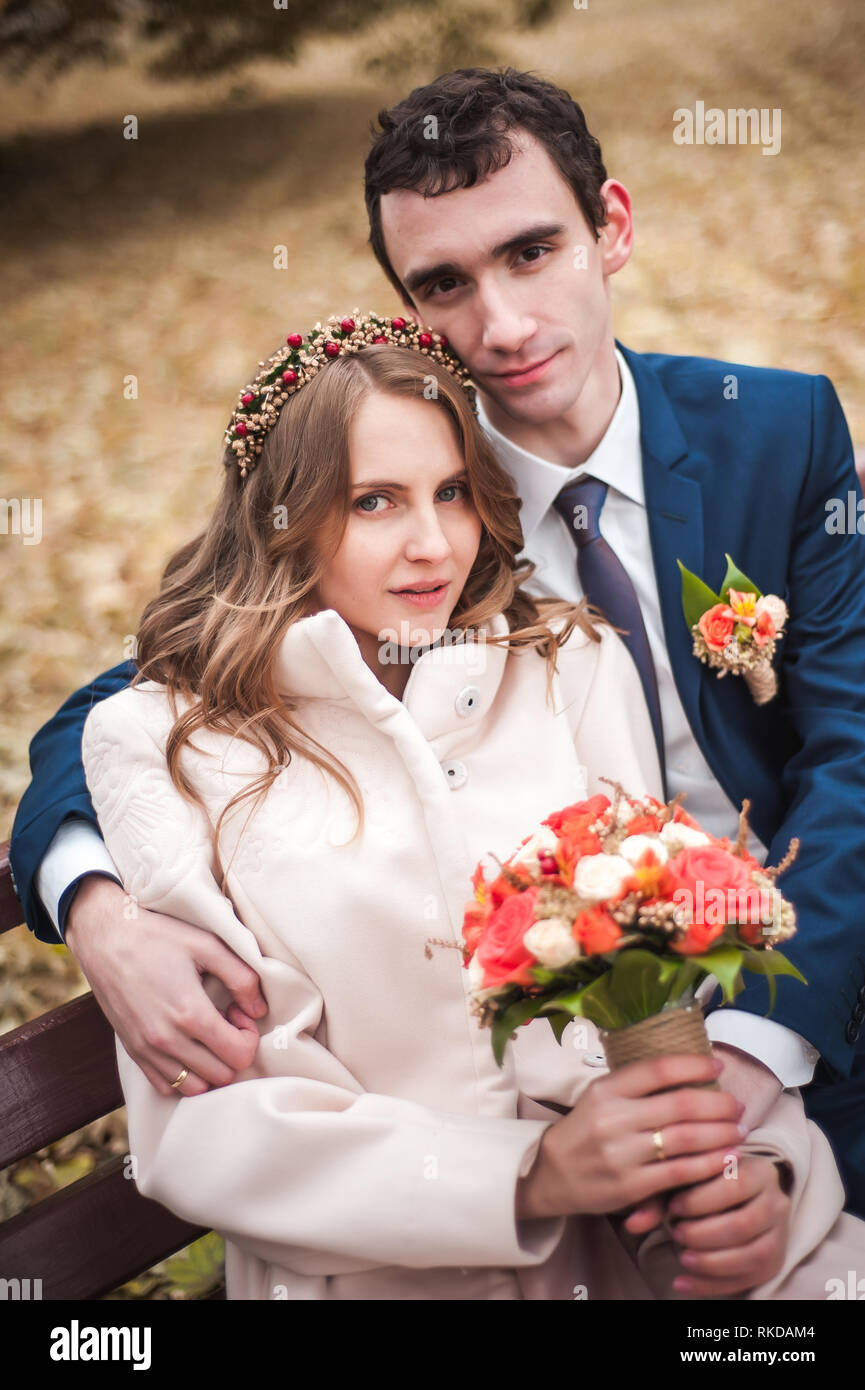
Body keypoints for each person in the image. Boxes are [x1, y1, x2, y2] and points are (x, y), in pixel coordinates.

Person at [9, 65, 865, 1258]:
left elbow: (854, 758)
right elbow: (137, 697)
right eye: (445, 284)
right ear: (409, 305)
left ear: (608, 228)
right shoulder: (409, 498)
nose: (502, 326)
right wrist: (98, 905)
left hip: (798, 1006)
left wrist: (749, 1061)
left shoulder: (776, 432)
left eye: (531, 252)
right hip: (555, 1089)